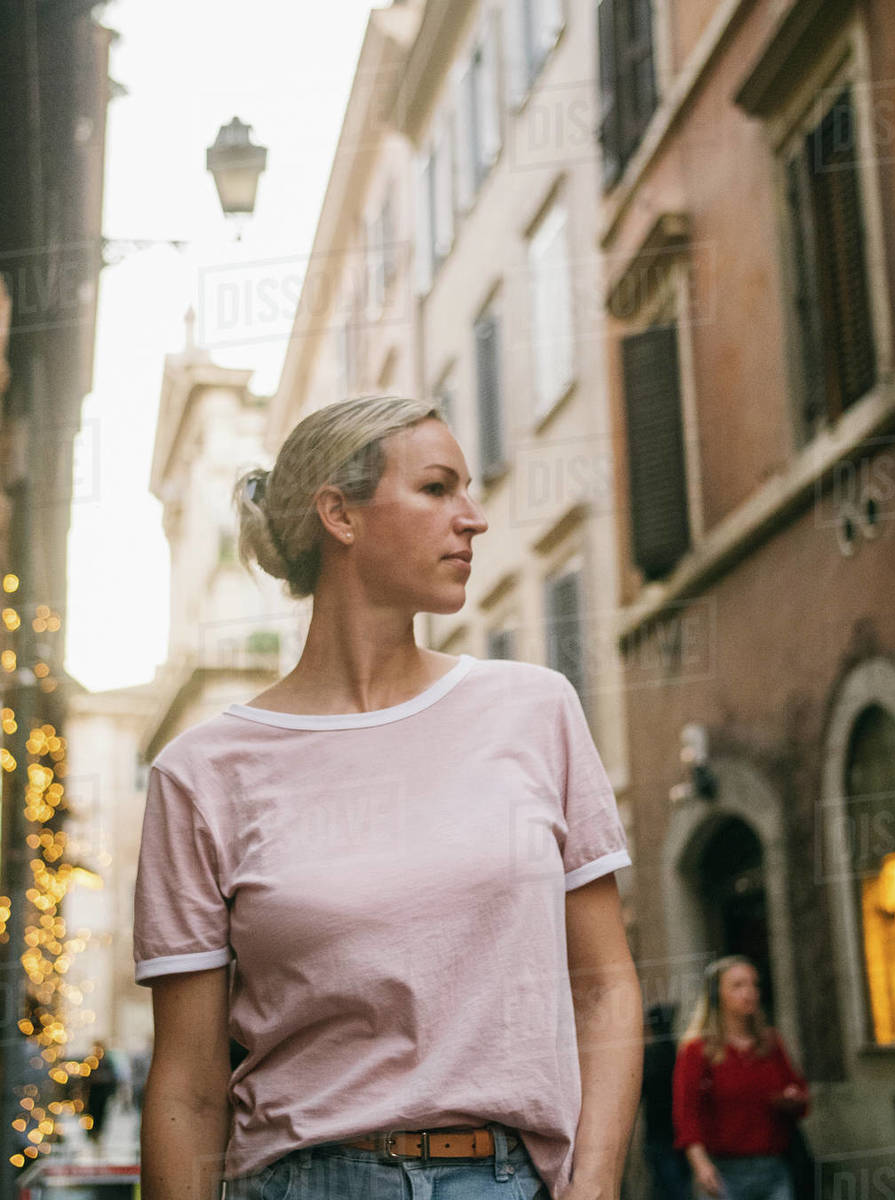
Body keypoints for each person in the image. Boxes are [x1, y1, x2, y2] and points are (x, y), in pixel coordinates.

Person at [132, 395, 644, 1200]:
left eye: (467, 489)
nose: (473, 518)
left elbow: (606, 985)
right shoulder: (200, 774)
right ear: (340, 515)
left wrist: (598, 1182)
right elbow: (189, 1087)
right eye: (437, 488)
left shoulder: (536, 710)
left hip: (506, 1180)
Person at [672, 955, 810, 1200]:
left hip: (773, 1167)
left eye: (753, 984)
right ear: (717, 995)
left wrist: (791, 1098)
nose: (749, 992)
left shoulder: (769, 1043)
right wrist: (700, 1165)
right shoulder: (697, 1050)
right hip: (724, 1171)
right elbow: (687, 1113)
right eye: (737, 985)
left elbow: (800, 1094)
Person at [640, 1004, 690, 1199]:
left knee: (668, 1188)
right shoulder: (677, 1053)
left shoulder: (652, 1057)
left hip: (661, 1134)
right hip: (673, 1132)